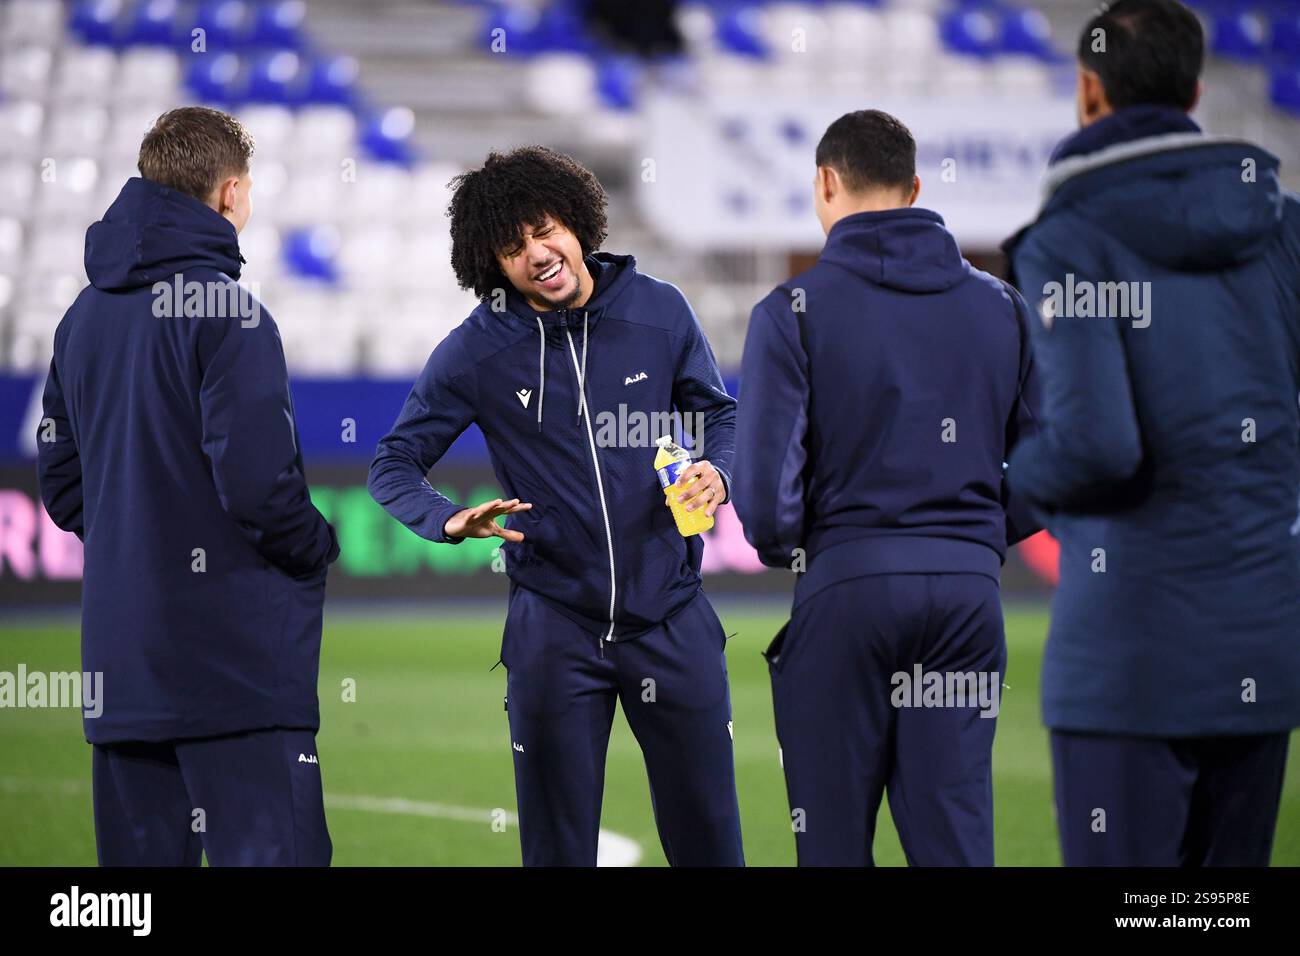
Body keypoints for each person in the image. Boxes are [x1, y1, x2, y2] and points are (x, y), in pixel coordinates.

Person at [368, 145, 744, 866]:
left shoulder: (660, 309)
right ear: (492, 265)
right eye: (512, 248)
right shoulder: (475, 351)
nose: (537, 254)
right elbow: (393, 462)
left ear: (575, 220)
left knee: (711, 847)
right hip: (554, 633)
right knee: (555, 854)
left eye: (545, 230)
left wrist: (719, 473)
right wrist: (447, 519)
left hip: (672, 618)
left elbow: (720, 415)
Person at [1004, 0, 1300, 866]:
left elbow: (1097, 446)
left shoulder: (1068, 239)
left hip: (1131, 656)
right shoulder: (1283, 226)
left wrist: (1010, 474)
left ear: (1089, 93)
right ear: (1197, 90)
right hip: (1262, 642)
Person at [732, 109, 1040, 866]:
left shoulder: (791, 311)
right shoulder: (1003, 306)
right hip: (969, 598)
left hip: (849, 590)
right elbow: (1051, 462)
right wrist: (972, 539)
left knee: (832, 840)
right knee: (954, 837)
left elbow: (767, 503)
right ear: (915, 188)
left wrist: (802, 548)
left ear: (824, 183)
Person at [36, 106, 338, 866]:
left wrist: (135, 539)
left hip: (123, 672)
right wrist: (313, 548)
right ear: (231, 193)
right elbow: (258, 488)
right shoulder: (229, 312)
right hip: (235, 674)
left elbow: (63, 485)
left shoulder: (80, 320)